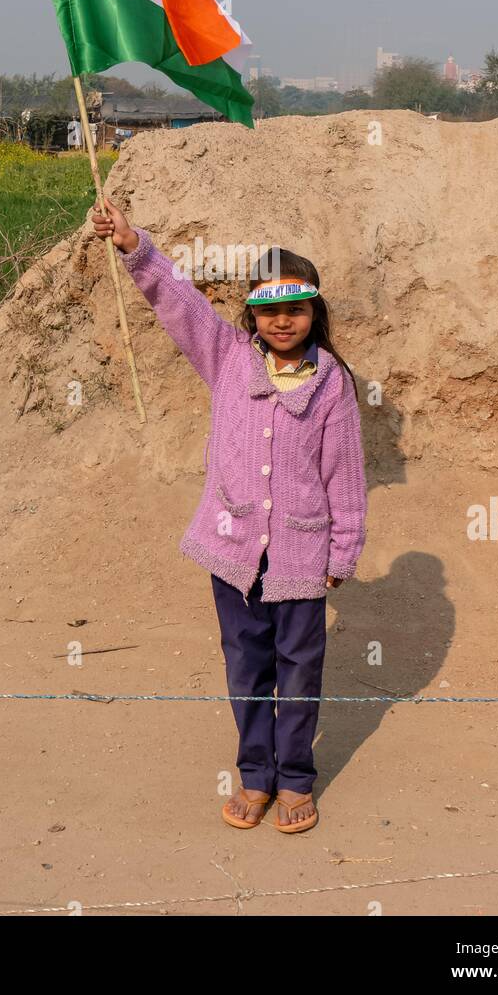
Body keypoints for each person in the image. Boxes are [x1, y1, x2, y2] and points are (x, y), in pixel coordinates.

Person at [90, 198, 367, 833]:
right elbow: (179, 302)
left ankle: (296, 778)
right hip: (233, 548)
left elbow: (344, 475)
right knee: (246, 663)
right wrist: (136, 246)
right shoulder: (229, 358)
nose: (282, 321)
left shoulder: (333, 384)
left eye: (296, 309)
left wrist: (342, 552)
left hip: (302, 556)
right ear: (253, 315)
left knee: (299, 669)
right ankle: (255, 774)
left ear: (314, 313)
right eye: (269, 310)